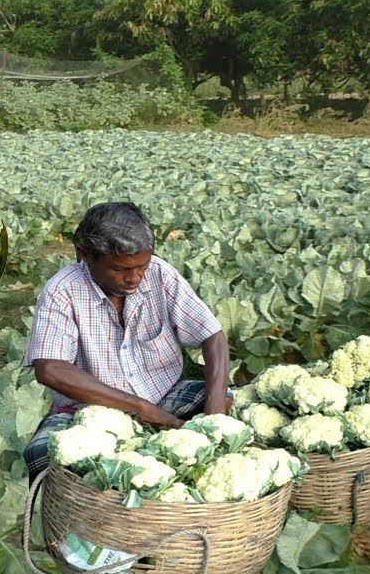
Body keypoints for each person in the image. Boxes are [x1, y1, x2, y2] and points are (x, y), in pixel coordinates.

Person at [22, 201, 230, 480]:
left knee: (227, 399)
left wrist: (215, 413)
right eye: (119, 269)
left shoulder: (159, 274)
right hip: (91, 414)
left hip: (164, 397)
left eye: (141, 266)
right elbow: (50, 368)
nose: (134, 278)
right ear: (86, 255)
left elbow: (212, 335)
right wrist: (140, 408)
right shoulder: (63, 291)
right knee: (41, 455)